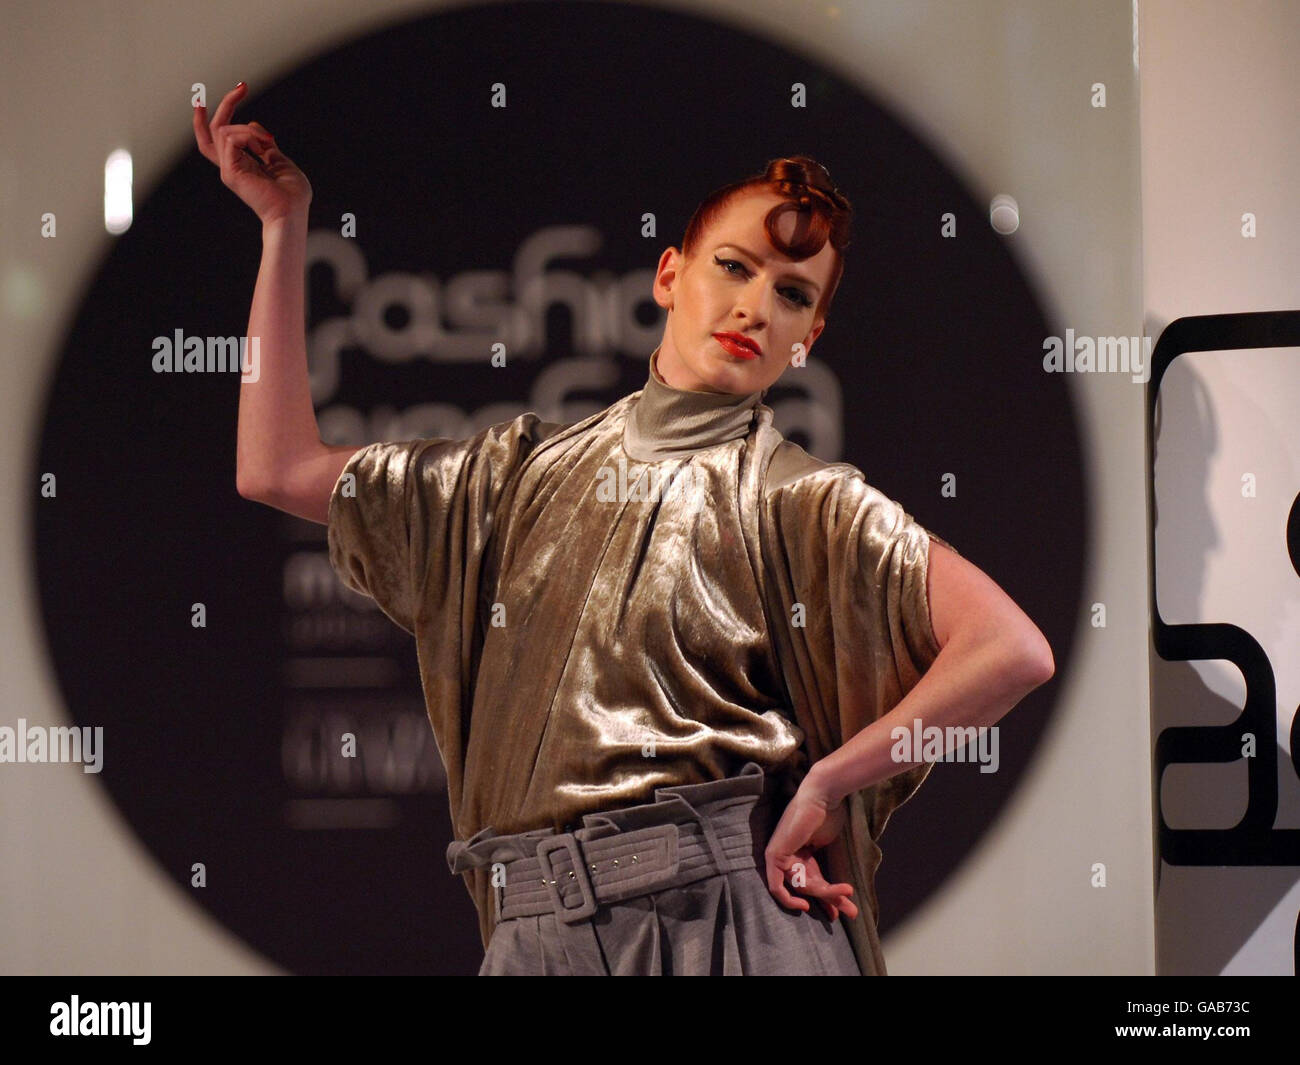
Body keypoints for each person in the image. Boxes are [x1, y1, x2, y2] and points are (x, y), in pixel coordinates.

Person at [195, 82, 1055, 976]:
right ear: (670, 275)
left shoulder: (801, 497)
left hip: (729, 924)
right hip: (531, 930)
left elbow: (1012, 649)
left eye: (792, 293)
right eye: (734, 267)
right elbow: (276, 469)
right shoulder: (512, 478)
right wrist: (282, 228)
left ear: (810, 336)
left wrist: (837, 780)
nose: (756, 307)